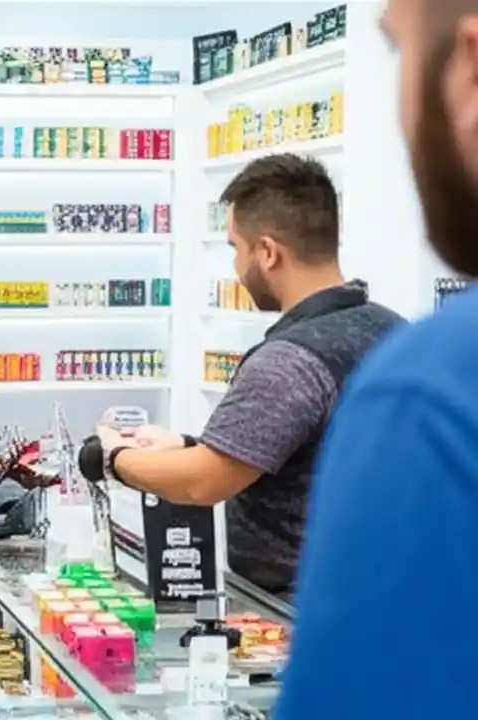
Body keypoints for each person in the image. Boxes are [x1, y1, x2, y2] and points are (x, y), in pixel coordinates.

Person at [276, 3, 478, 715]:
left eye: (398, 52)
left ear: (471, 66)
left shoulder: (431, 390)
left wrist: (112, 457)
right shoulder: (396, 336)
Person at [78, 153, 402, 597]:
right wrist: (185, 444)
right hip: (383, 590)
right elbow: (306, 448)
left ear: (268, 252)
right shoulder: (391, 329)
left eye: (235, 248)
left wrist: (114, 458)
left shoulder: (291, 358)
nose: (235, 268)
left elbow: (203, 480)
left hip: (304, 607)